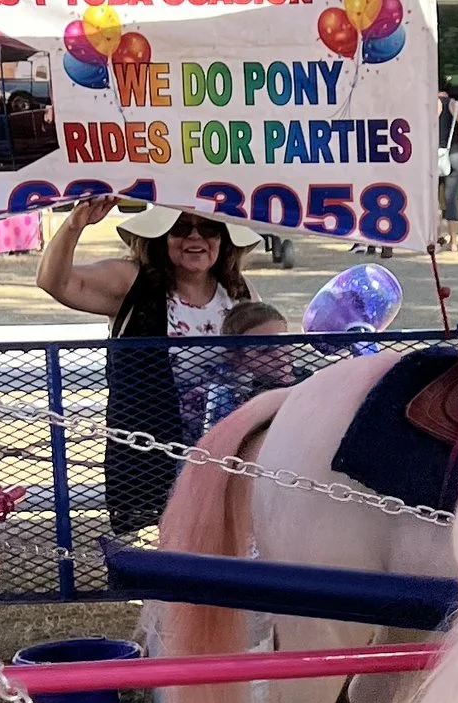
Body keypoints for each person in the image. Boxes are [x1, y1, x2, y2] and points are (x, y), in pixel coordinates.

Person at [36, 191, 284, 531]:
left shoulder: (240, 290)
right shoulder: (132, 281)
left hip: (229, 452)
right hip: (153, 454)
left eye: (209, 228)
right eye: (181, 228)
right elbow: (55, 282)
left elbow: (268, 358)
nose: (195, 238)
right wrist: (74, 225)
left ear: (223, 240)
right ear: (162, 237)